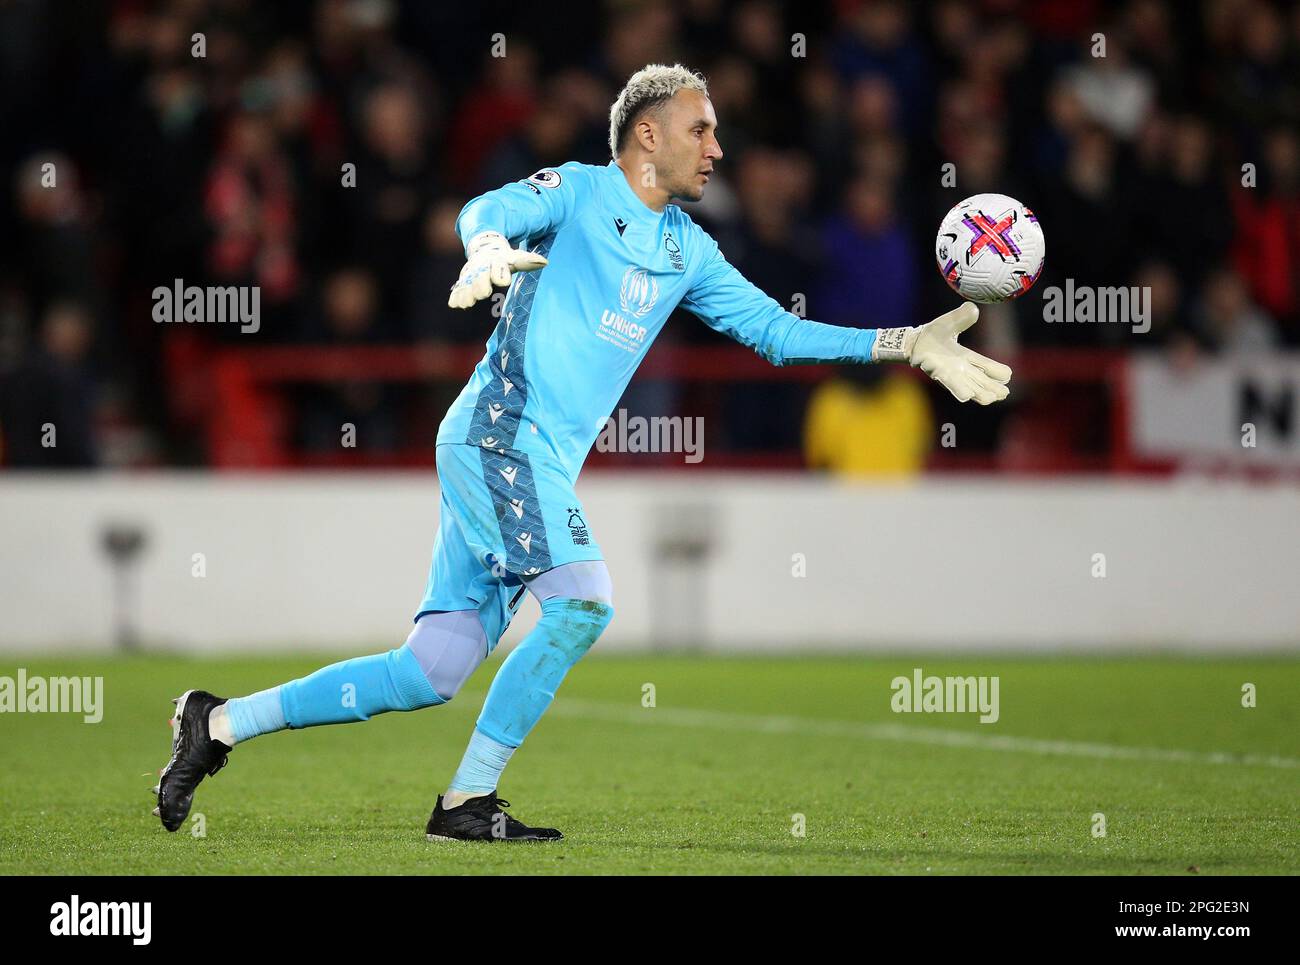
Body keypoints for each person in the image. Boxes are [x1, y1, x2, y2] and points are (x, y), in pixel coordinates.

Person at [155, 64, 1012, 842]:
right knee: (582, 603)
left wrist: (904, 343)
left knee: (428, 671)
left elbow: (777, 334)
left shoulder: (689, 249)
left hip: (521, 459)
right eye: (700, 129)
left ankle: (219, 721)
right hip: (500, 436)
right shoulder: (578, 191)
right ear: (648, 133)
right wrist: (486, 247)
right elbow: (482, 210)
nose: (717, 147)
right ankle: (466, 802)